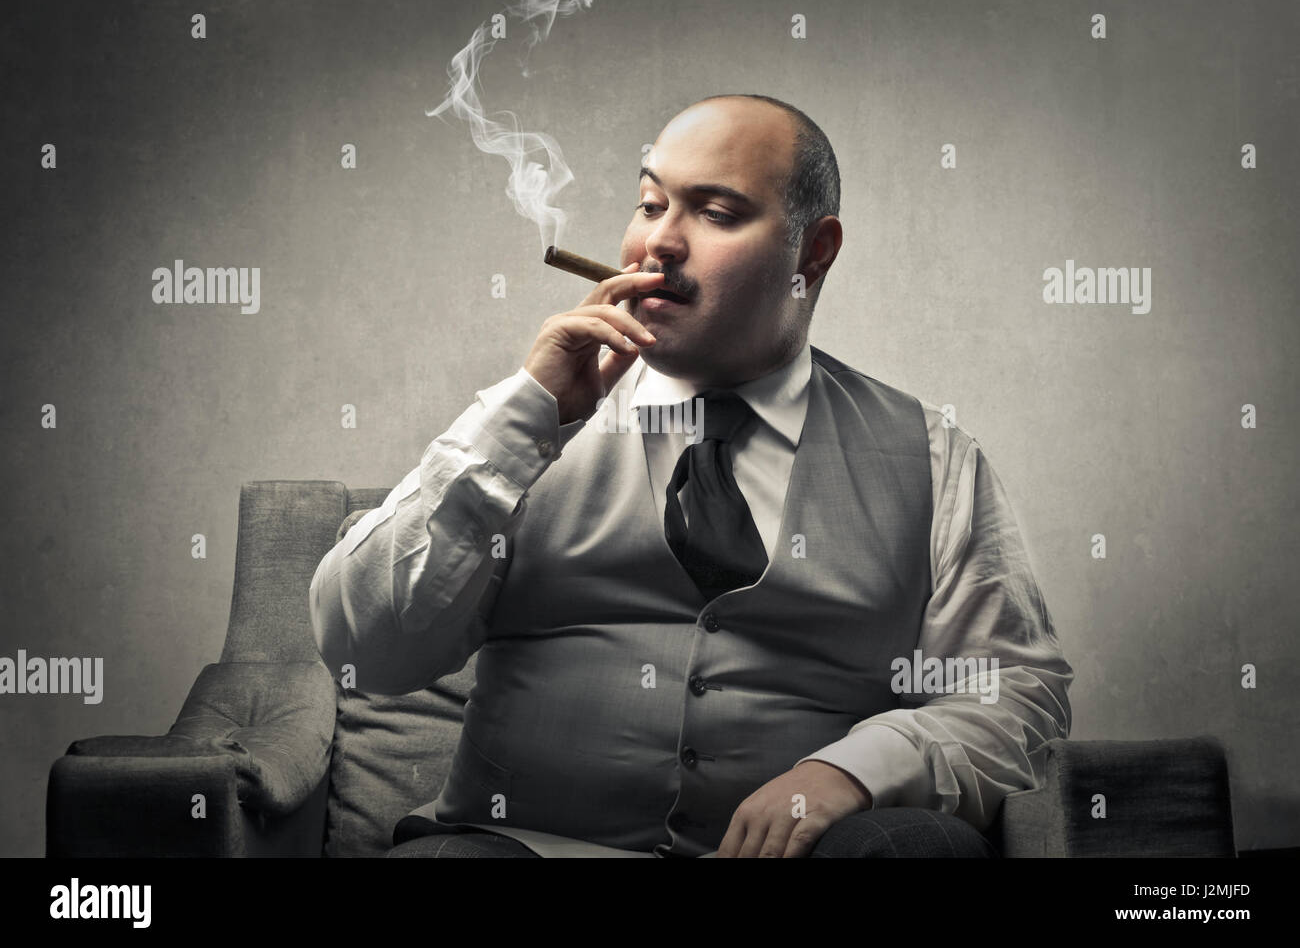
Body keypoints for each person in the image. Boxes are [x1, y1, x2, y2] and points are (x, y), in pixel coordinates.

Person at [310, 94, 1073, 858]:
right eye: (649, 203)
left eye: (714, 213)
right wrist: (520, 419)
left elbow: (1011, 691)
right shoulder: (523, 434)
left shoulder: (932, 457)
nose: (658, 243)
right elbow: (362, 651)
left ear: (814, 253)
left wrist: (854, 773)